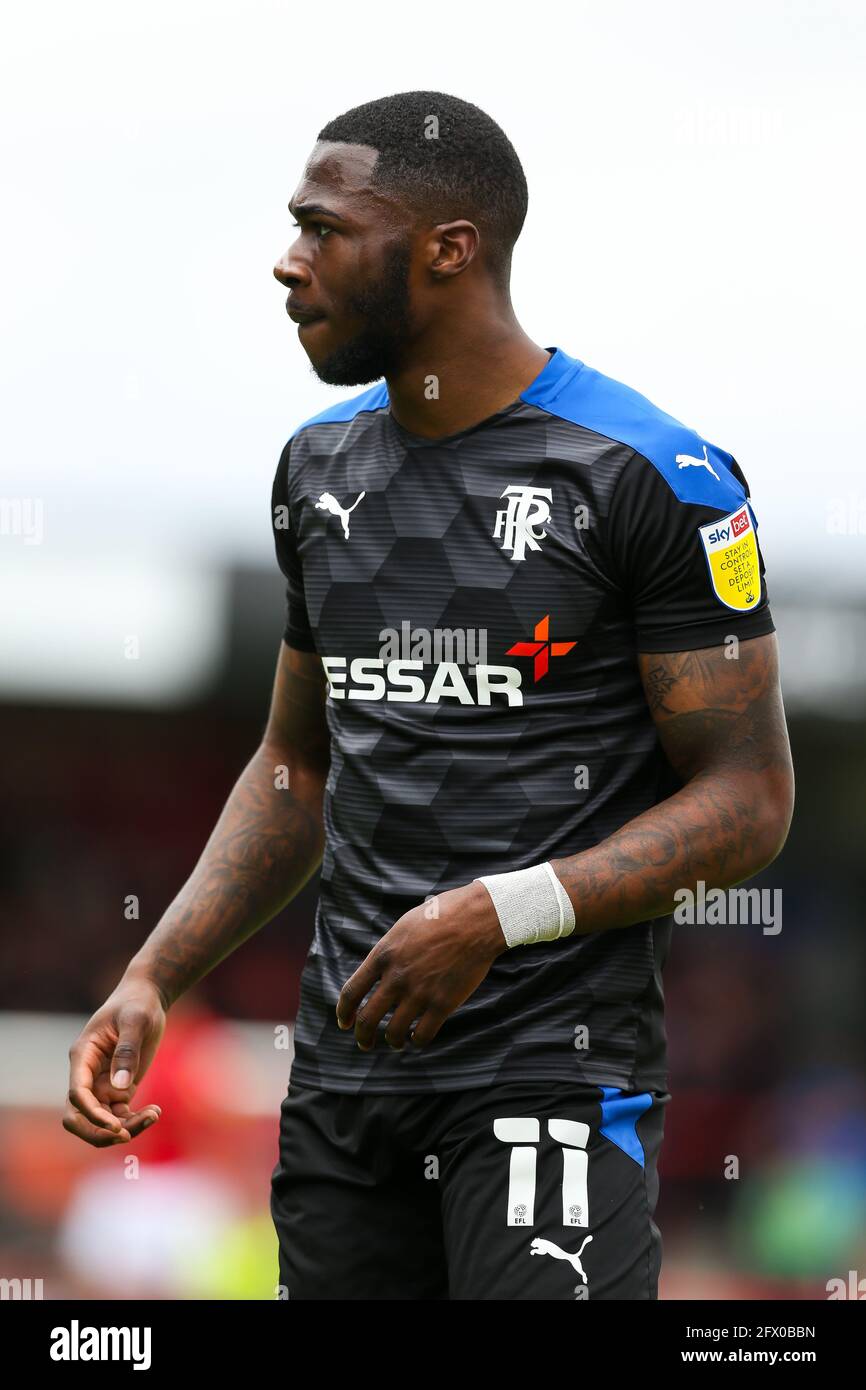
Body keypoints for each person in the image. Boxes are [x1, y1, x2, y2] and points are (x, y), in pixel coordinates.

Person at [64, 91, 795, 1300]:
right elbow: (295, 767)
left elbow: (748, 802)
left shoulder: (650, 476)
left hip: (547, 1077)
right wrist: (155, 973)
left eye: (323, 228)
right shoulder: (317, 467)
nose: (287, 262)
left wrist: (498, 913)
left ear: (449, 247)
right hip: (347, 1091)